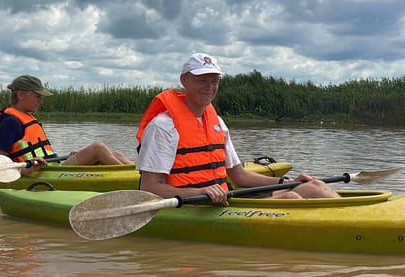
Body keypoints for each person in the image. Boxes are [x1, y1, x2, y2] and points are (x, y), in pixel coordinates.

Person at [135, 53, 339, 205]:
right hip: (190, 204)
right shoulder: (162, 126)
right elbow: (149, 188)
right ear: (184, 80)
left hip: (223, 198)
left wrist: (285, 181)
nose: (209, 87)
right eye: (202, 80)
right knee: (291, 197)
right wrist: (201, 191)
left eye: (214, 81)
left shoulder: (217, 123)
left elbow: (239, 176)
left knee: (313, 187)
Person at [0, 75, 133, 176]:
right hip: (39, 172)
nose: (41, 101)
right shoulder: (9, 122)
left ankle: (140, 176)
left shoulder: (25, 118)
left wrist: (62, 158)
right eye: (38, 96)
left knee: (116, 155)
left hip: (53, 167)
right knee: (98, 148)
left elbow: (42, 154)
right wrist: (27, 169)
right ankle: (132, 180)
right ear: (21, 95)